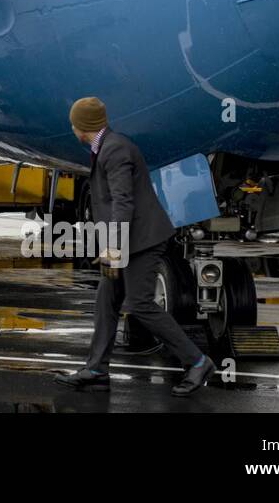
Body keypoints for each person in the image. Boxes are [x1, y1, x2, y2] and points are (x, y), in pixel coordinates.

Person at [56, 97, 214, 397]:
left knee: (140, 303)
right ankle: (96, 369)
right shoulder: (105, 146)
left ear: (82, 126)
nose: (71, 127)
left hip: (142, 241)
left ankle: (197, 361)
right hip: (128, 239)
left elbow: (123, 202)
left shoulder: (114, 150)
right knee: (106, 299)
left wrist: (113, 249)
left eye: (74, 122)